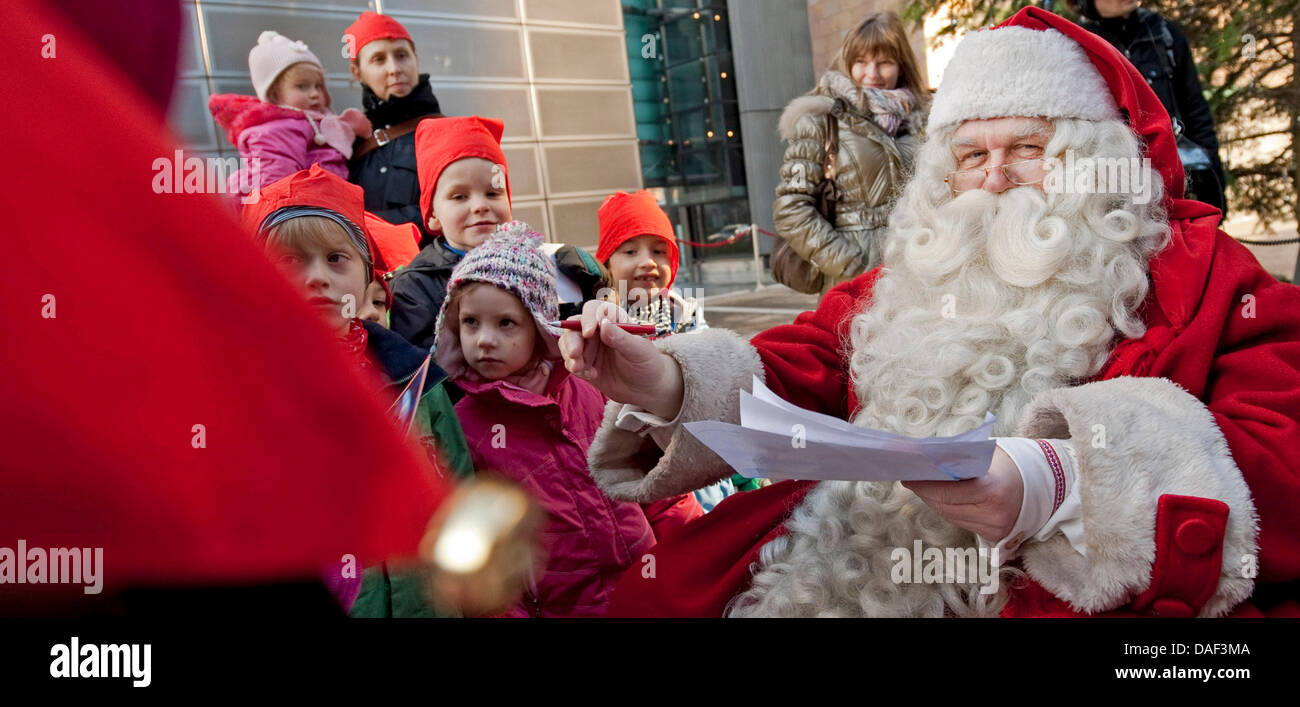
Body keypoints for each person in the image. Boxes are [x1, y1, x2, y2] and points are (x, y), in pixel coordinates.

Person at [560, 7, 1300, 618]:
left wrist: (1056, 483)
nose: (996, 177)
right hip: (848, 568)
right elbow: (802, 364)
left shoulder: (1197, 269)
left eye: (1029, 148)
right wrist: (664, 379)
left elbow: (1283, 447)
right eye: (971, 156)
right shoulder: (914, 270)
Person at [433, 223, 701, 617]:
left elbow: (655, 478)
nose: (484, 340)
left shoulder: (589, 389)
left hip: (647, 591)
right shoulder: (463, 427)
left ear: (540, 328)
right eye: (471, 322)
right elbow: (482, 553)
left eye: (505, 323)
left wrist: (693, 548)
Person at [242, 166, 475, 615]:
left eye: (336, 258)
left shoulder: (416, 377)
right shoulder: (248, 394)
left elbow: (458, 483)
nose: (317, 277)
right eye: (289, 260)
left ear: (368, 274)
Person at [772, 10, 928, 294]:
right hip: (855, 282)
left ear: (901, 65)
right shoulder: (822, 118)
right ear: (848, 64)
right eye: (861, 62)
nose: (872, 74)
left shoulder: (922, 118)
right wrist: (850, 266)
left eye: (884, 63)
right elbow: (791, 208)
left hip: (919, 275)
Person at [1073, 0, 1227, 213]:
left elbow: (1195, 109)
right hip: (1112, 194)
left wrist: (1213, 176)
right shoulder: (1077, 45)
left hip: (1173, 186)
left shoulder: (1165, 35)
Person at [209, 31, 371, 202]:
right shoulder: (276, 130)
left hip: (325, 208)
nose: (315, 94)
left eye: (318, 85)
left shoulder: (313, 123)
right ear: (274, 93)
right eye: (302, 87)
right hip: (302, 215)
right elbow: (278, 184)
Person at [345, 11, 445, 245]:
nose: (394, 68)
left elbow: (456, 214)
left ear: (415, 59)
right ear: (357, 72)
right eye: (378, 59)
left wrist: (359, 226)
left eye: (402, 55)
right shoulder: (348, 142)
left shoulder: (445, 132)